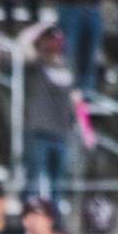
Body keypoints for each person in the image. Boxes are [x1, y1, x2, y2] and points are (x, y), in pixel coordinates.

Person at [18, 23, 80, 206]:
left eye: (57, 40)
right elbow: (23, 41)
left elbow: (75, 100)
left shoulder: (69, 67)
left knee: (58, 184)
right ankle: (27, 216)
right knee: (33, 181)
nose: (54, 44)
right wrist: (43, 26)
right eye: (51, 40)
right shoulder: (36, 64)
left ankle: (56, 224)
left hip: (61, 132)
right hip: (38, 131)